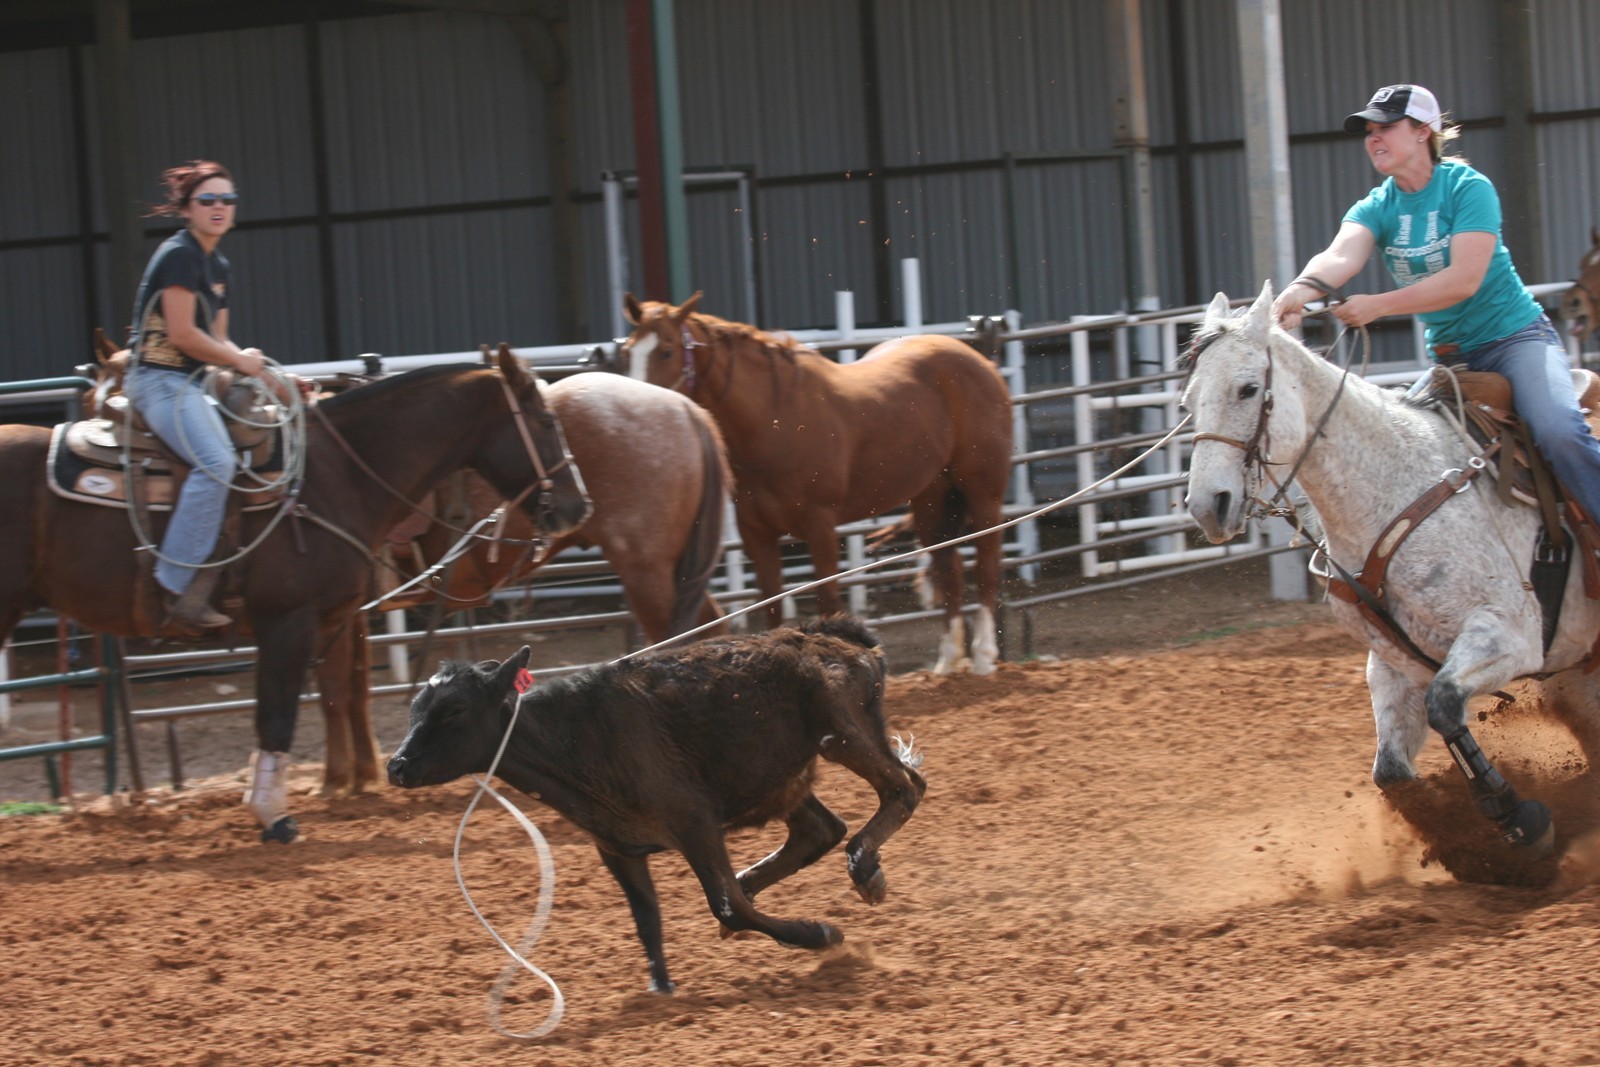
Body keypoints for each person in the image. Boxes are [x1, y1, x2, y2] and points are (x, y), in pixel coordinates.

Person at [1273, 83, 1600, 528]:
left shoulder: (1467, 188)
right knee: (1400, 454)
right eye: (1369, 130)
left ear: (1424, 131)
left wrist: (1379, 305)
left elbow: (1463, 281)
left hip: (1516, 340)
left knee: (1560, 431)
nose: (1374, 138)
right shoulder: (1376, 206)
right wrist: (1299, 290)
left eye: (1386, 127)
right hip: (1451, 357)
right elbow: (1340, 256)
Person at [123, 160, 266, 635]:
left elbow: (218, 344)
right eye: (208, 200)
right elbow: (184, 336)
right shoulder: (180, 255)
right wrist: (239, 360)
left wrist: (254, 366)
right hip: (158, 380)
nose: (219, 207)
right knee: (217, 463)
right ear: (187, 210)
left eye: (227, 200)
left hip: (192, 384)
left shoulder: (217, 264)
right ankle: (176, 583)